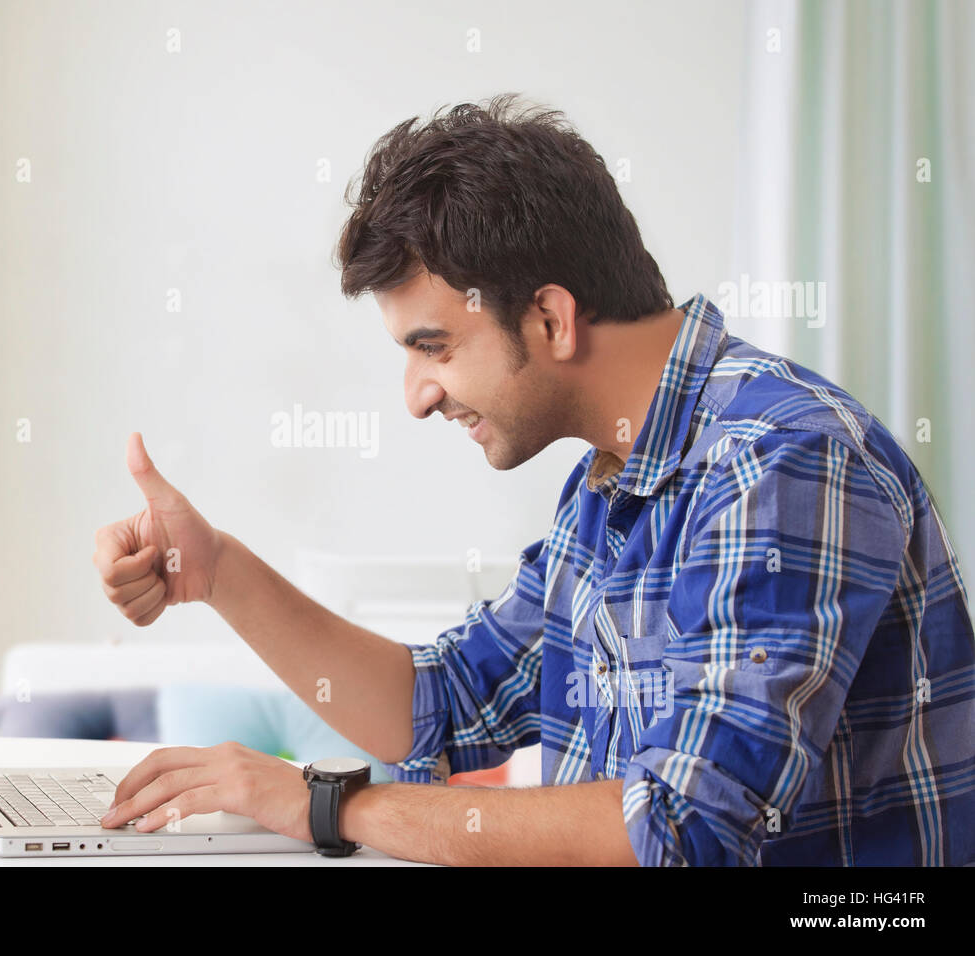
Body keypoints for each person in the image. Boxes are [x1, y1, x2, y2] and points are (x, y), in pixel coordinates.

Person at [91, 94, 975, 866]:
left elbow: (682, 831)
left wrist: (328, 805)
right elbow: (441, 705)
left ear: (549, 317)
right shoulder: (612, 484)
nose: (416, 397)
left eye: (432, 348)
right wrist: (221, 574)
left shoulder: (781, 459)